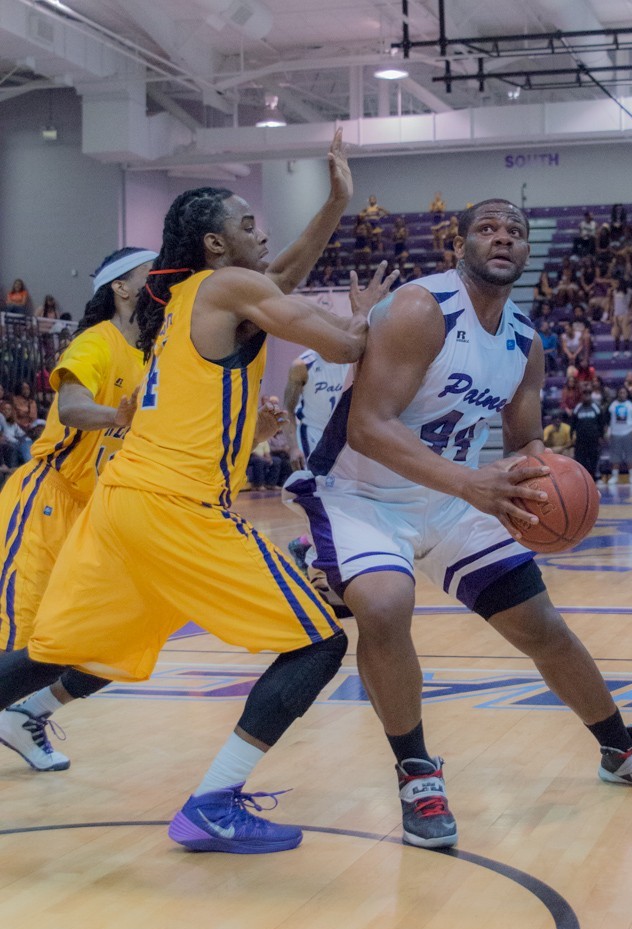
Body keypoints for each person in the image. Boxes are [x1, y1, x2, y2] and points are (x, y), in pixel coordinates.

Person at [0, 133, 398, 856]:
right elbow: (340, 346)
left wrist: (337, 204)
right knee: (318, 641)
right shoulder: (229, 288)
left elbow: (276, 276)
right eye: (247, 224)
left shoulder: (187, 296)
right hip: (175, 507)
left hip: (121, 502)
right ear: (216, 242)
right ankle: (215, 800)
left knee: (51, 653)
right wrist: (362, 319)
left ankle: (32, 716)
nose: (262, 231)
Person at [287, 199, 632, 851]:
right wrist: (470, 483)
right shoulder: (423, 309)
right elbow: (367, 426)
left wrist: (548, 488)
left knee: (542, 627)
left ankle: (618, 749)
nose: (501, 237)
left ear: (525, 250)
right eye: (487, 228)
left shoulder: (523, 344)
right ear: (460, 243)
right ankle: (417, 773)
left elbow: (523, 442)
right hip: (360, 495)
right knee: (386, 608)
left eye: (515, 231)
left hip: (450, 497)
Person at [0, 247, 158, 770]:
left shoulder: (157, 359)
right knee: (19, 637)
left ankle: (28, 716)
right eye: (150, 274)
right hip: (47, 497)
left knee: (113, 635)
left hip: (100, 516)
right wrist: (122, 415)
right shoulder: (97, 341)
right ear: (121, 287)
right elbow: (70, 408)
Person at [571, 383, 605, 479]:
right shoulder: (577, 408)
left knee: (593, 459)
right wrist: (572, 435)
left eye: (589, 393)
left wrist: (601, 436)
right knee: (581, 460)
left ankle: (593, 478)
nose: (586, 395)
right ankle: (582, 479)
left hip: (593, 439)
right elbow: (573, 424)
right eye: (584, 393)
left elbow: (601, 423)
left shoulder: (596, 408)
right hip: (581, 440)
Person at [606, 386, 632, 485]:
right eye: (620, 392)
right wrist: (607, 433)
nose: (622, 394)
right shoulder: (612, 405)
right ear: (617, 394)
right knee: (615, 457)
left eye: (624, 393)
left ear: (627, 394)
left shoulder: (631, 405)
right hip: (615, 433)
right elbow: (606, 421)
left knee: (630, 456)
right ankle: (614, 476)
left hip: (628, 432)